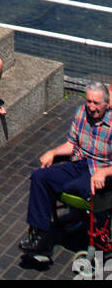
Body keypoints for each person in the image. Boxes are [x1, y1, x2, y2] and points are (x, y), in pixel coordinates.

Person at [19, 81, 112, 263]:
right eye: (89, 102)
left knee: (72, 187)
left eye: (96, 103)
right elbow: (71, 145)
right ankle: (42, 239)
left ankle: (98, 234)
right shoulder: (80, 113)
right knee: (40, 177)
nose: (91, 107)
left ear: (107, 105)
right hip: (77, 164)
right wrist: (53, 152)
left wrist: (106, 172)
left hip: (99, 171)